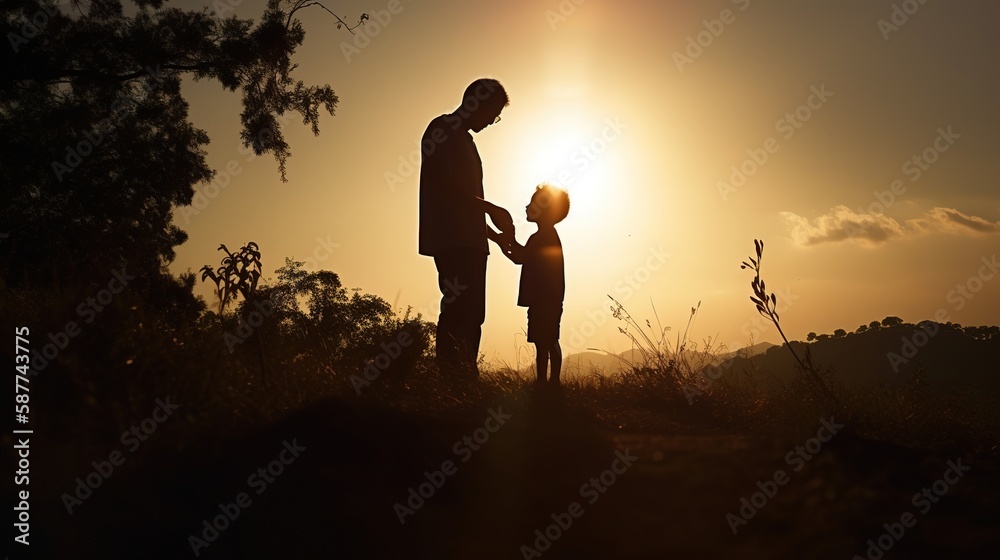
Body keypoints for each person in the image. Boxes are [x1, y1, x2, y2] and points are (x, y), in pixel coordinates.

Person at [418, 78, 514, 378]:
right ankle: (451, 380)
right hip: (452, 241)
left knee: (473, 315)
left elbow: (466, 203)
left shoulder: (465, 140)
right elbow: (447, 189)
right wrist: (492, 208)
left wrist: (494, 236)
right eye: (492, 115)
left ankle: (464, 379)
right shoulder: (442, 130)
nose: (490, 122)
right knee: (458, 312)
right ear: (476, 104)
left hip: (471, 242)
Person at [494, 184, 570, 386]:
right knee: (544, 341)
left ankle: (551, 382)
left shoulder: (543, 237)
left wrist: (500, 238)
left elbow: (520, 257)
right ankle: (546, 382)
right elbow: (521, 256)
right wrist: (502, 239)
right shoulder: (544, 236)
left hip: (545, 299)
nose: (527, 207)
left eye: (532, 203)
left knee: (547, 340)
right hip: (545, 299)